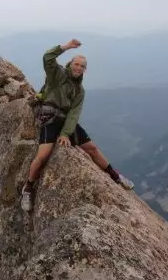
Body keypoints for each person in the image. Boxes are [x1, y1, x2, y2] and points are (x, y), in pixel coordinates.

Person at [21, 39, 134, 212]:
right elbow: (47, 58)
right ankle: (28, 188)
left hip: (65, 120)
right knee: (43, 156)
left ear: (84, 70)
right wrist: (65, 47)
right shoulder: (56, 74)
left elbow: (74, 113)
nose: (78, 68)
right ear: (70, 64)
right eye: (76, 64)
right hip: (50, 117)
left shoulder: (80, 91)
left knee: (92, 148)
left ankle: (115, 176)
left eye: (82, 66)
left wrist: (66, 134)